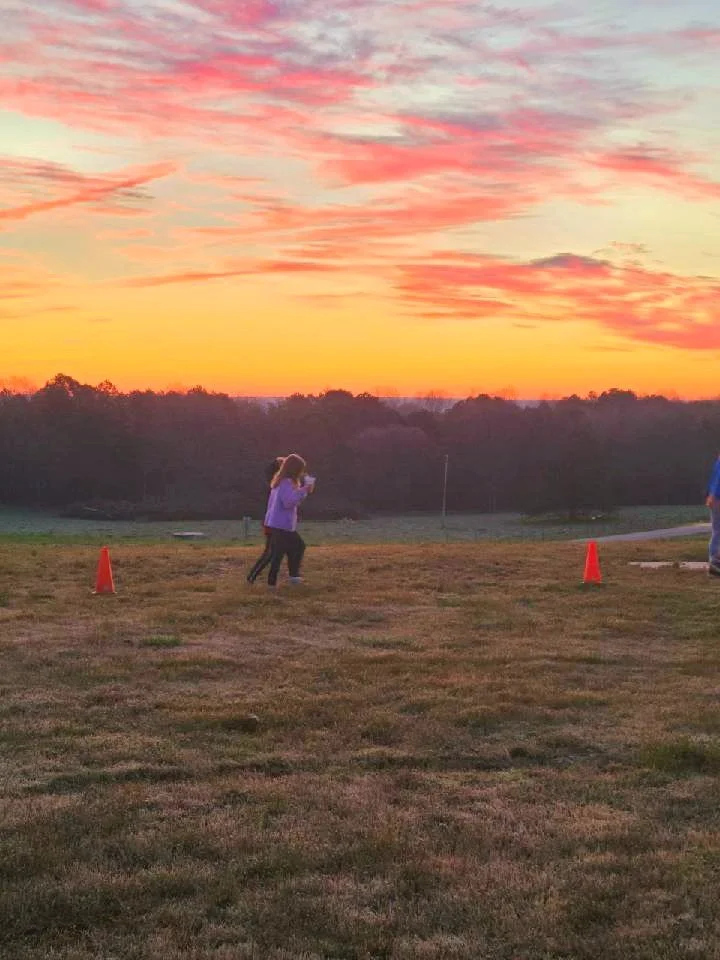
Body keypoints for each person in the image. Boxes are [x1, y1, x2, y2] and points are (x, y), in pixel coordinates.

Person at [264, 453, 315, 587]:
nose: (301, 473)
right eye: (300, 469)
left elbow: (288, 499)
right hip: (282, 524)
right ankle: (289, 578)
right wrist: (304, 490)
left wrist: (301, 491)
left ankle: (281, 580)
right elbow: (288, 502)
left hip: (278, 523)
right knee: (295, 548)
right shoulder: (286, 482)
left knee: (281, 552)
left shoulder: (280, 481)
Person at [246, 456, 284, 584]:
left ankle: (266, 579)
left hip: (274, 523)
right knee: (271, 553)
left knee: (275, 552)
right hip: (273, 523)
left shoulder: (276, 485)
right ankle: (253, 577)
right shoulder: (276, 486)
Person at [706, 452, 720, 576]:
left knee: (717, 530)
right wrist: (714, 497)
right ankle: (714, 562)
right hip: (718, 500)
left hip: (715, 499)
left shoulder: (718, 463)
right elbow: (716, 483)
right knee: (717, 530)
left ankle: (715, 561)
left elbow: (712, 482)